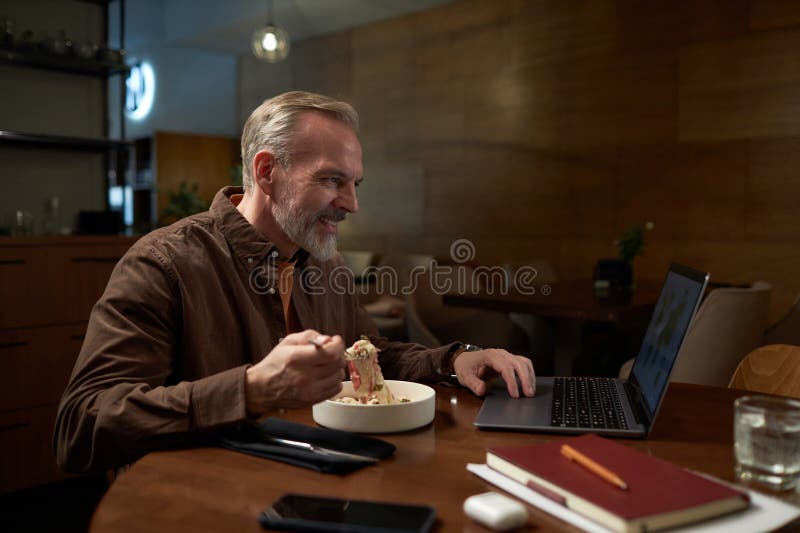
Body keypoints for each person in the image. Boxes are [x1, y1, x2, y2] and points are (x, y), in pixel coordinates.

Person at [54, 91, 536, 473]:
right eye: (332, 180)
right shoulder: (164, 263)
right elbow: (82, 425)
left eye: (354, 184)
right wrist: (250, 389)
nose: (351, 203)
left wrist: (457, 359)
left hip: (307, 475)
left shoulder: (325, 263)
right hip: (198, 500)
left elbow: (369, 354)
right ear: (267, 172)